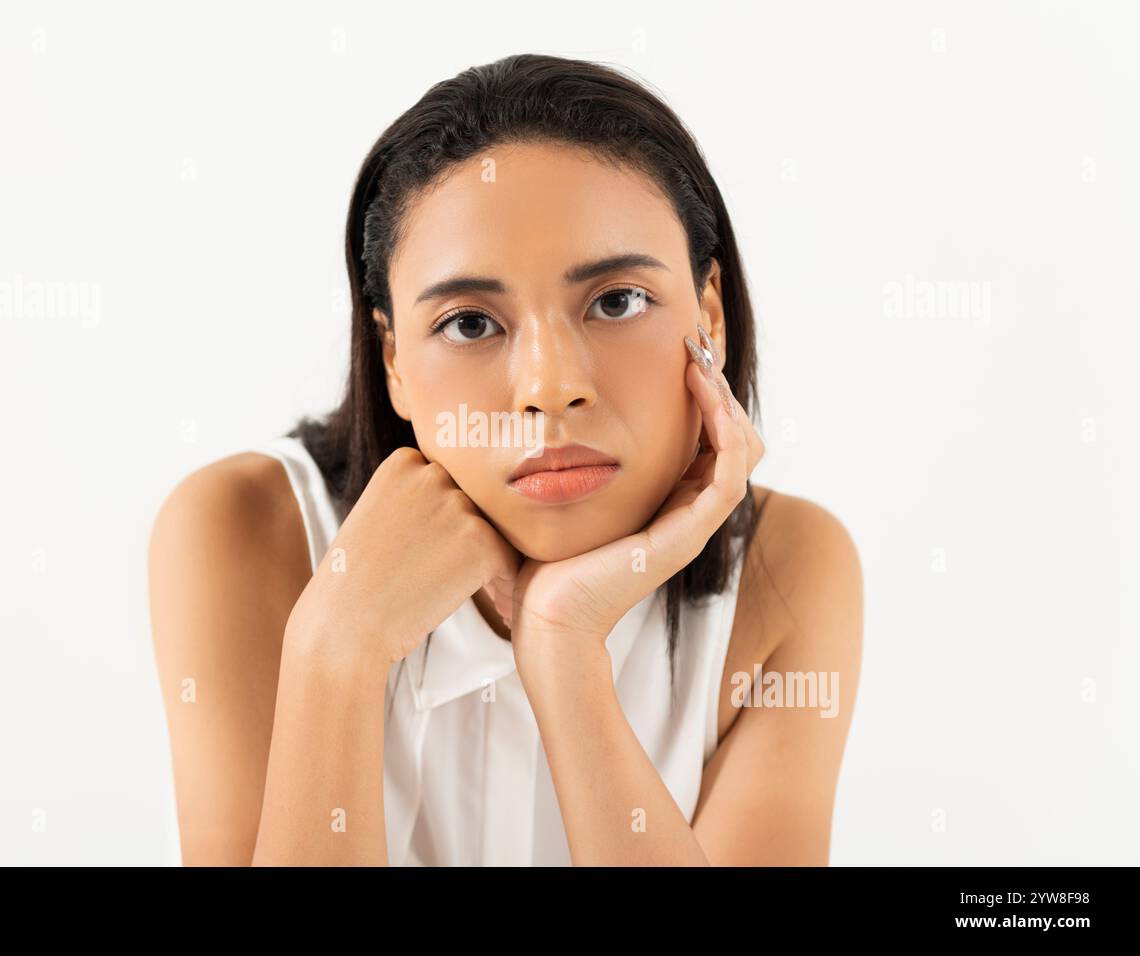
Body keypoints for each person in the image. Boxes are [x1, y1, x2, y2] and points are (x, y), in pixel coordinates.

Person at [148, 53, 863, 866]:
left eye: (616, 301)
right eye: (470, 323)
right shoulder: (240, 530)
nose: (549, 390)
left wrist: (563, 647)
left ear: (709, 315)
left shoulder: (789, 571)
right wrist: (336, 648)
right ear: (393, 362)